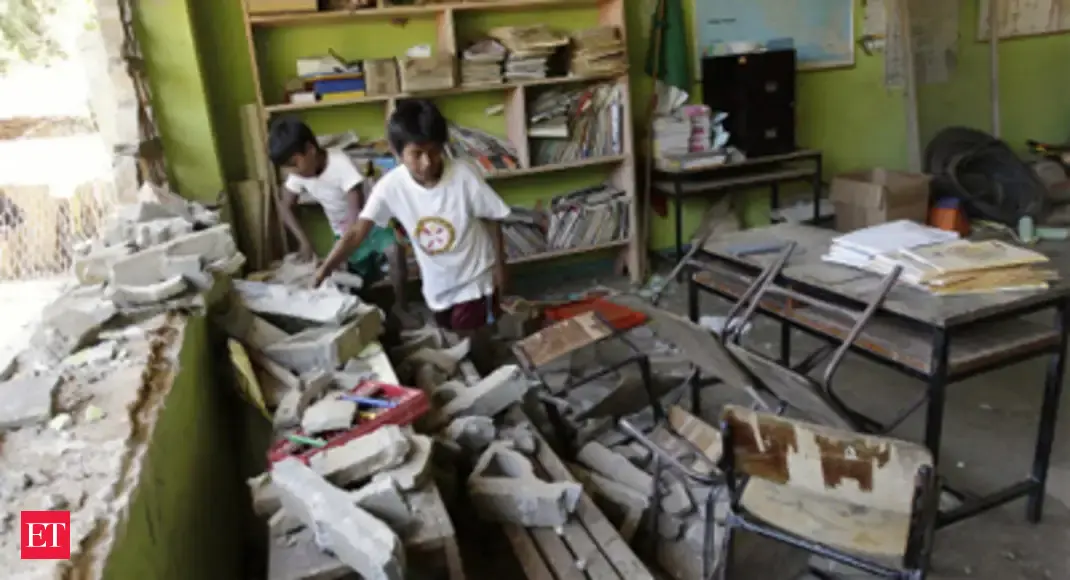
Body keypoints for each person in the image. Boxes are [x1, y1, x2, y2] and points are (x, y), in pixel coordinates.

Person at [314, 99, 510, 369]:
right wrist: (323, 270)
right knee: (451, 337)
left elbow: (493, 218)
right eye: (416, 154)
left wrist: (500, 267)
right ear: (396, 153)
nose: (427, 162)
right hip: (437, 282)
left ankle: (492, 383)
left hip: (474, 276)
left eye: (434, 151)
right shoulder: (390, 187)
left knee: (474, 339)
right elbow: (357, 232)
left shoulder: (464, 175)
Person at [268, 117, 408, 305]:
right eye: (288, 168)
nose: (293, 172)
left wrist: (337, 254)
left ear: (310, 150)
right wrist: (304, 242)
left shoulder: (340, 163)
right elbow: (285, 206)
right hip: (341, 229)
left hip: (369, 223)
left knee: (394, 250)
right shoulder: (300, 174)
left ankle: (402, 307)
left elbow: (355, 217)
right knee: (350, 281)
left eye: (294, 164)